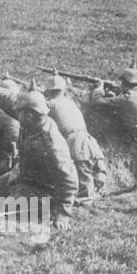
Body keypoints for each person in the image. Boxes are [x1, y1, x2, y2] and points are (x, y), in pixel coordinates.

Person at [0, 81, 77, 225]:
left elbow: (69, 179)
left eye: (20, 112)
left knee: (10, 204)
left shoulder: (51, 144)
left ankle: (45, 207)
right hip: (24, 173)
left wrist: (63, 213)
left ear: (30, 114)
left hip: (44, 186)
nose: (17, 114)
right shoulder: (31, 118)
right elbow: (6, 99)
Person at [40, 74, 109, 202]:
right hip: (89, 141)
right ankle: (99, 195)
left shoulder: (51, 104)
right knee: (98, 175)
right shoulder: (70, 102)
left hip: (76, 144)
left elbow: (36, 106)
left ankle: (88, 203)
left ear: (48, 91)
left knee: (83, 187)